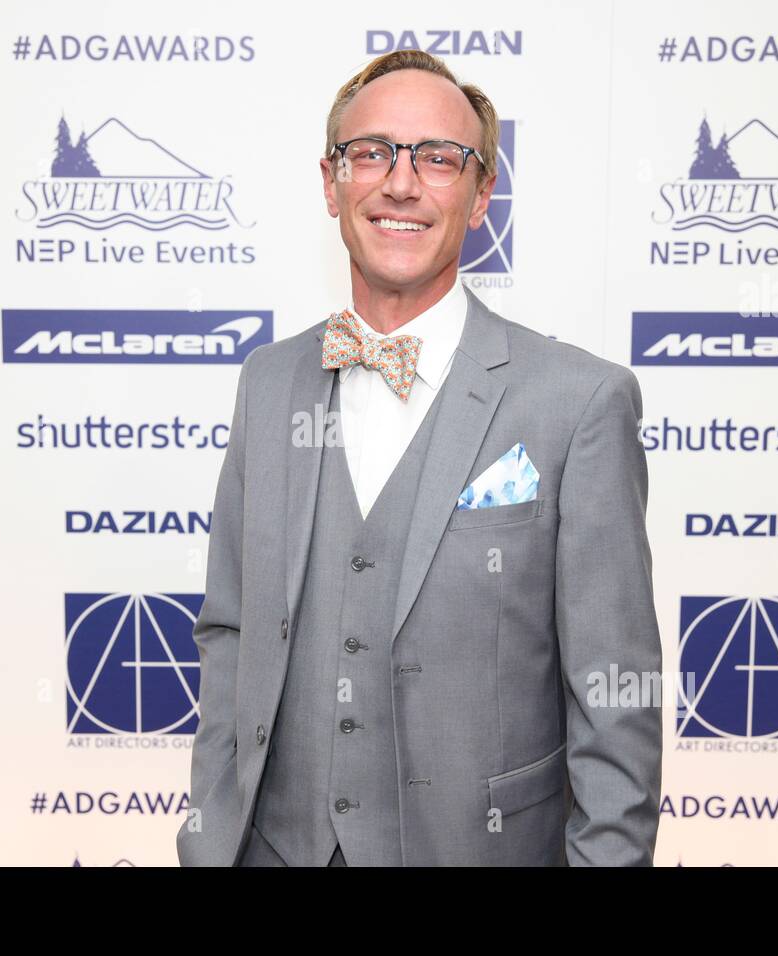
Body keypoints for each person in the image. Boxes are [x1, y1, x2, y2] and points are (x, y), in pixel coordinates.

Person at [177, 49, 662, 866]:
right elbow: (228, 633)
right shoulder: (267, 383)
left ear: (480, 198)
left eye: (439, 159)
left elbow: (617, 704)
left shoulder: (577, 403)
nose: (401, 184)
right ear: (332, 183)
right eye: (372, 153)